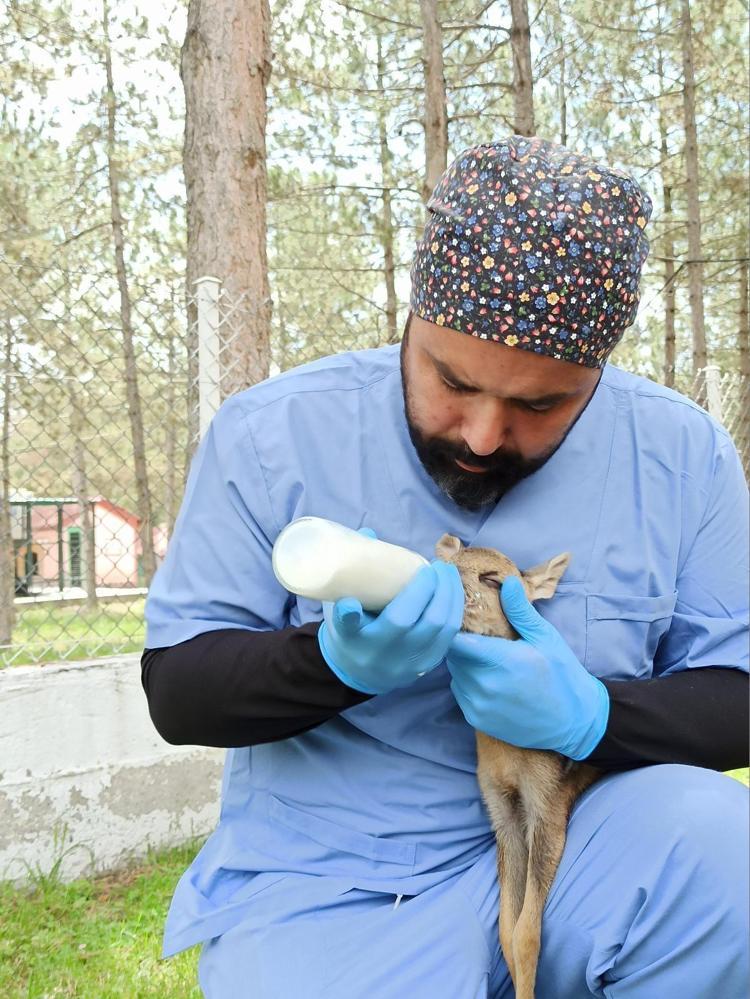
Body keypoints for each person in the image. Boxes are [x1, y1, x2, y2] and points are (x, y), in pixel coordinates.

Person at [142, 136, 749, 998]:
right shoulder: (270, 436)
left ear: (598, 372)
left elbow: (740, 695)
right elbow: (178, 687)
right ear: (412, 314)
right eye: (452, 379)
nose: (482, 434)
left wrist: (593, 715)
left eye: (540, 403)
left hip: (579, 848)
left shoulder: (681, 455)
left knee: (729, 860)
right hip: (336, 882)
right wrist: (332, 663)